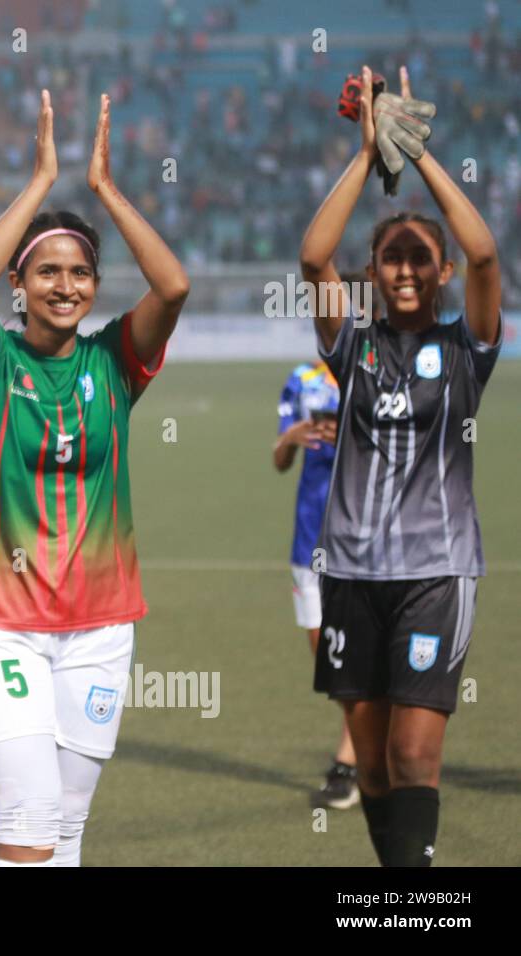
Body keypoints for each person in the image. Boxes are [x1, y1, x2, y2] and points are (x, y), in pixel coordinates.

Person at [0, 90, 189, 866]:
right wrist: (42, 182)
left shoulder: (113, 362)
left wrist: (107, 190)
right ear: (22, 284)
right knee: (30, 813)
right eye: (46, 271)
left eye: (80, 272)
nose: (64, 285)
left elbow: (174, 287)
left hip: (100, 625)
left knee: (70, 823)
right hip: (0, 621)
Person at [300, 67, 501, 866]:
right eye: (392, 258)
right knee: (375, 766)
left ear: (442, 274)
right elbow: (316, 258)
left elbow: (484, 252)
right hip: (349, 571)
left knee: (415, 757)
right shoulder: (351, 345)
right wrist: (365, 155)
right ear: (374, 273)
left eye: (422, 258)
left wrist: (417, 156)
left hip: (434, 572)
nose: (408, 269)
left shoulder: (465, 349)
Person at [273, 356, 354, 807]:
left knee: (355, 651)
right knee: (328, 659)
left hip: (363, 537)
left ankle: (350, 761)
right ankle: (369, 737)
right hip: (310, 538)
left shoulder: (374, 369)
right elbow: (280, 461)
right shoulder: (301, 380)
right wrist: (292, 436)